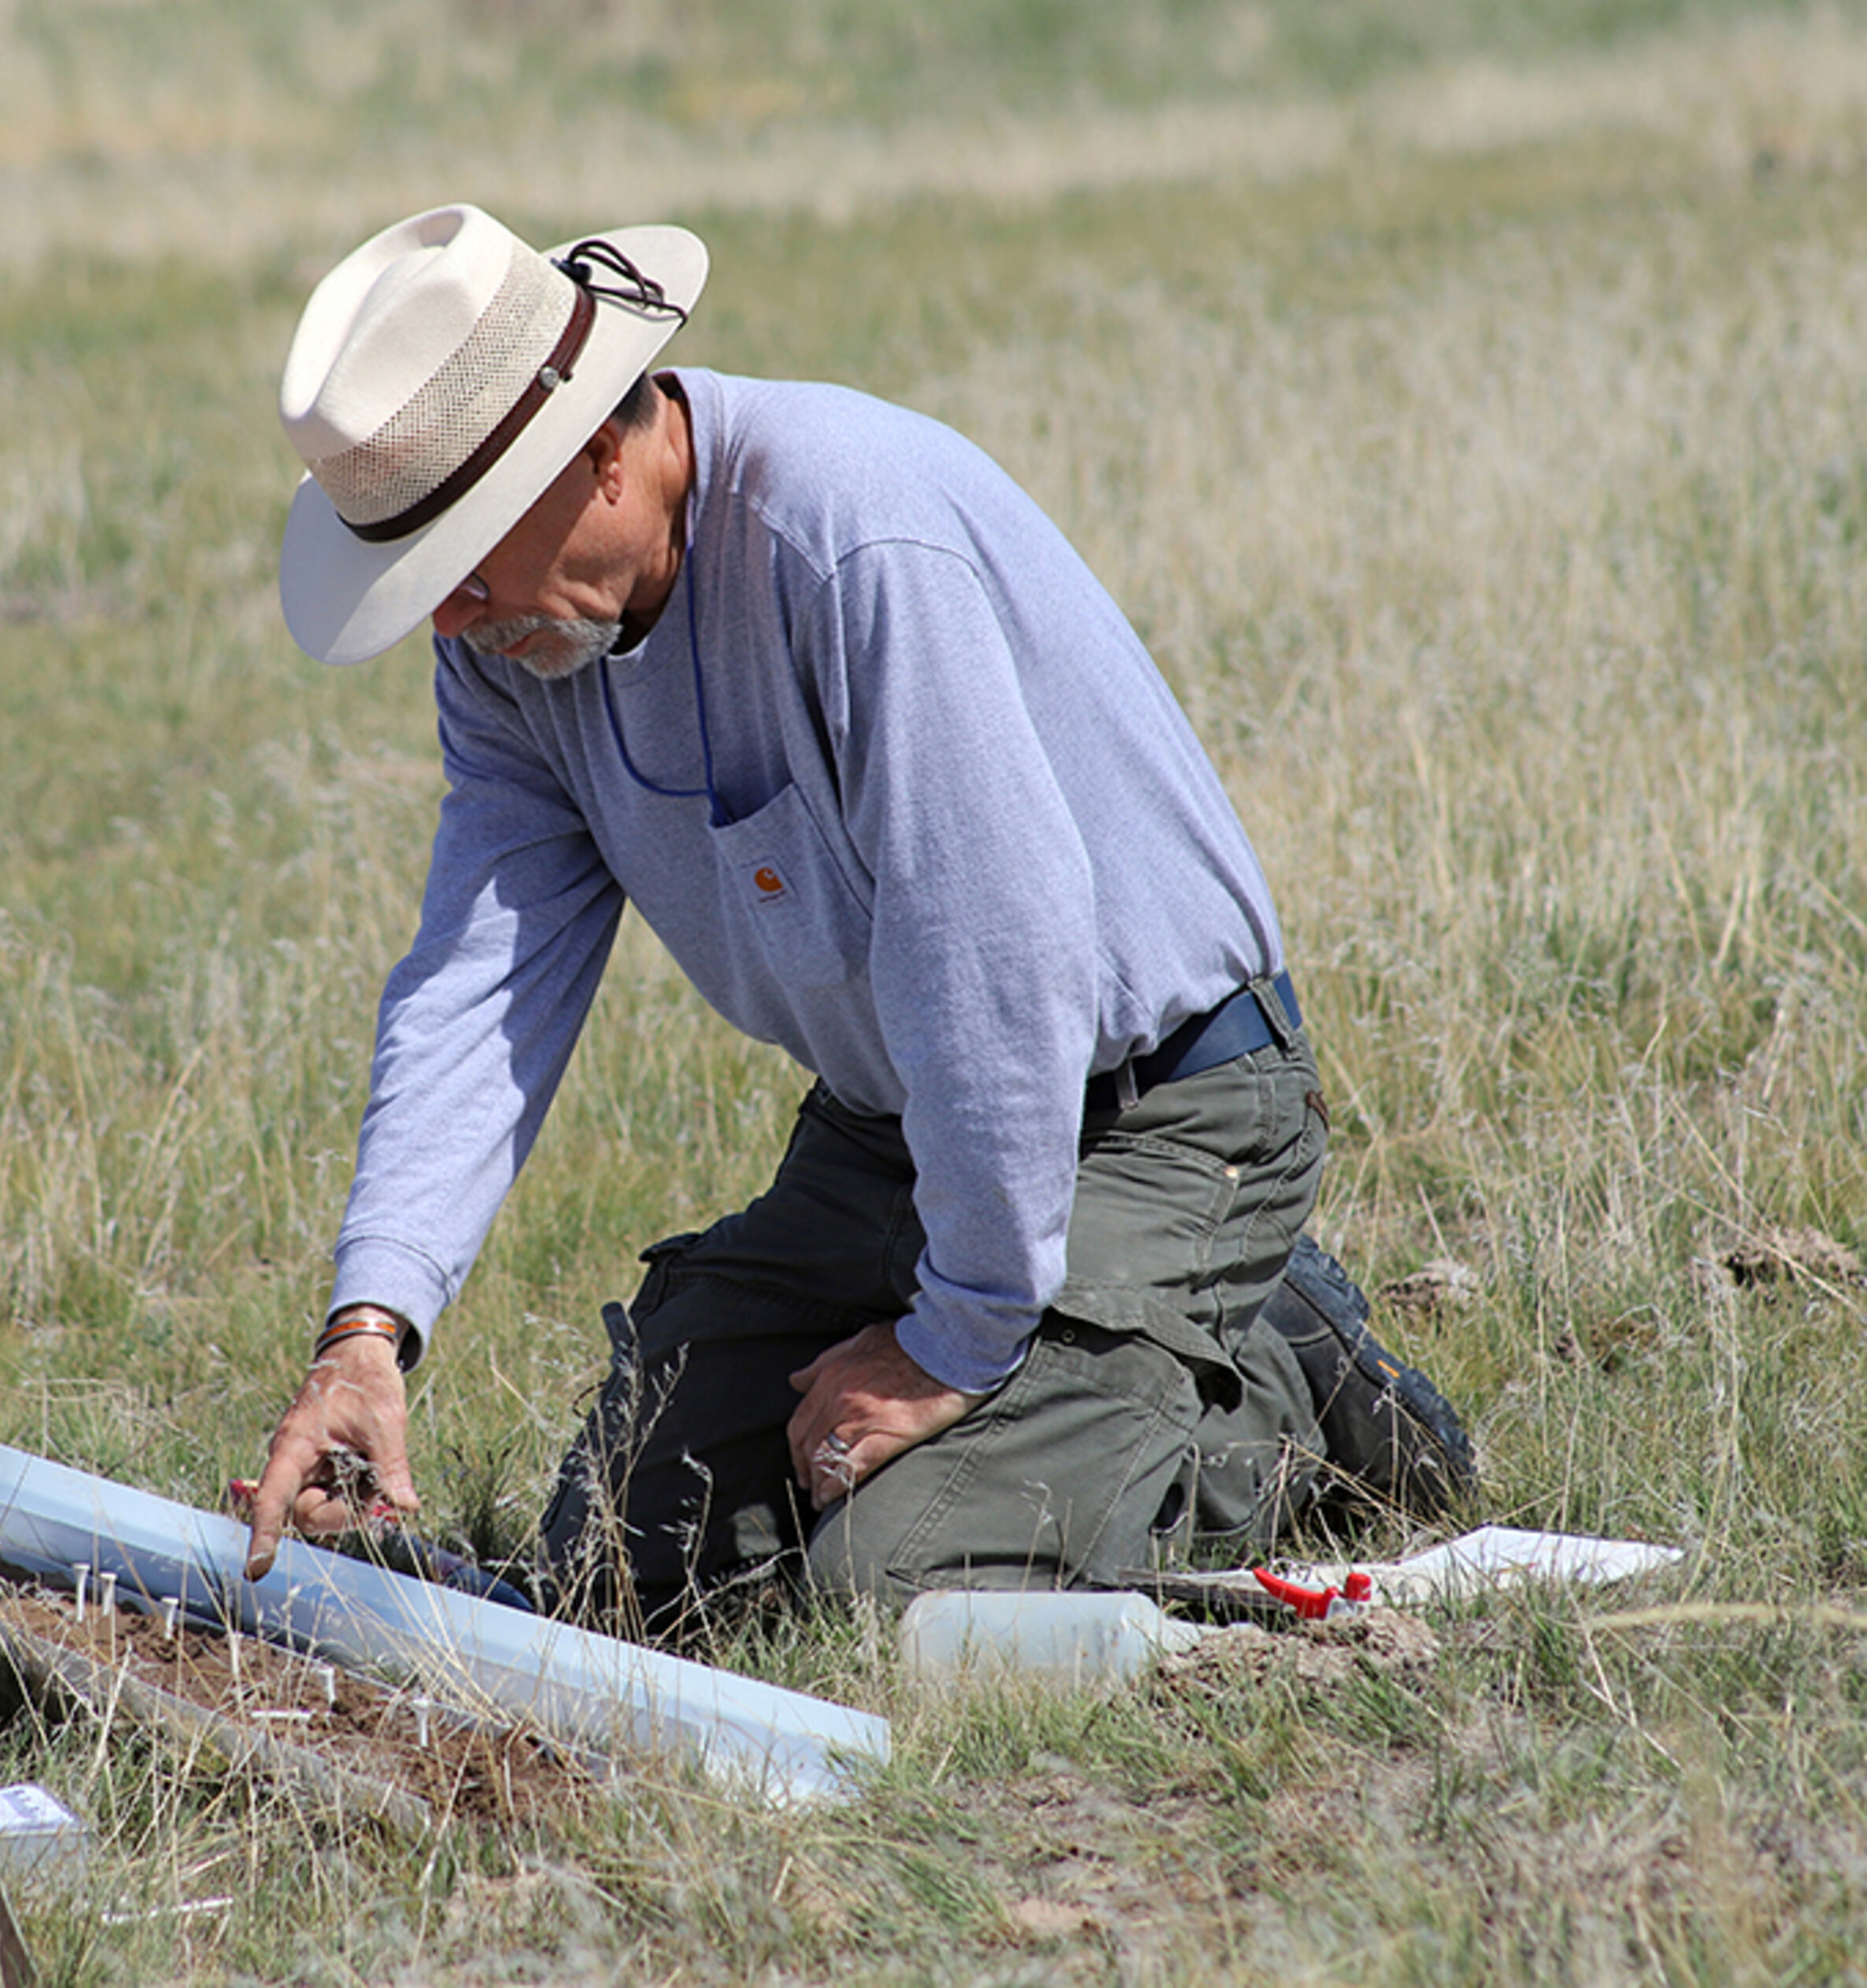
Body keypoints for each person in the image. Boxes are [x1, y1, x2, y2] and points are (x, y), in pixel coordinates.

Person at [242, 203, 1471, 1627]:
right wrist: (369, 1329)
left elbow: (996, 958)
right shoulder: (514, 649)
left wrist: (956, 1340)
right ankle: (1136, 1330)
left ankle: (1264, 1373)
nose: (450, 622)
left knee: (894, 1586)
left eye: (461, 563)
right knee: (625, 1556)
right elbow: (480, 975)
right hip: (901, 1122)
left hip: (1160, 1111)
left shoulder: (849, 537)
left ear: (595, 452)